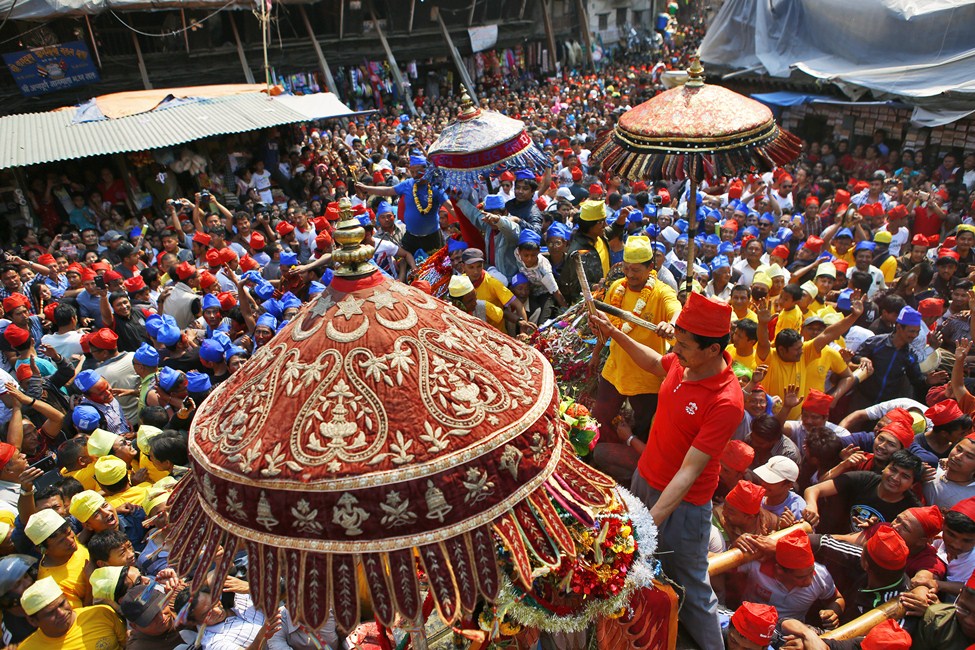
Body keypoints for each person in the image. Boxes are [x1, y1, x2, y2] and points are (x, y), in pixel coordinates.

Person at [589, 291, 743, 650]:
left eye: (685, 344)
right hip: (647, 478)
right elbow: (657, 362)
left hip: (682, 505)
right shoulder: (685, 362)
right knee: (646, 567)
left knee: (691, 583)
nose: (677, 350)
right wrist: (614, 333)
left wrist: (648, 523)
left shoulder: (725, 401)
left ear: (713, 350)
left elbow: (689, 472)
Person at [18, 576, 124, 650]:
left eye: (62, 604)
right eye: (50, 613)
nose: (61, 613)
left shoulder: (101, 614)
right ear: (33, 621)